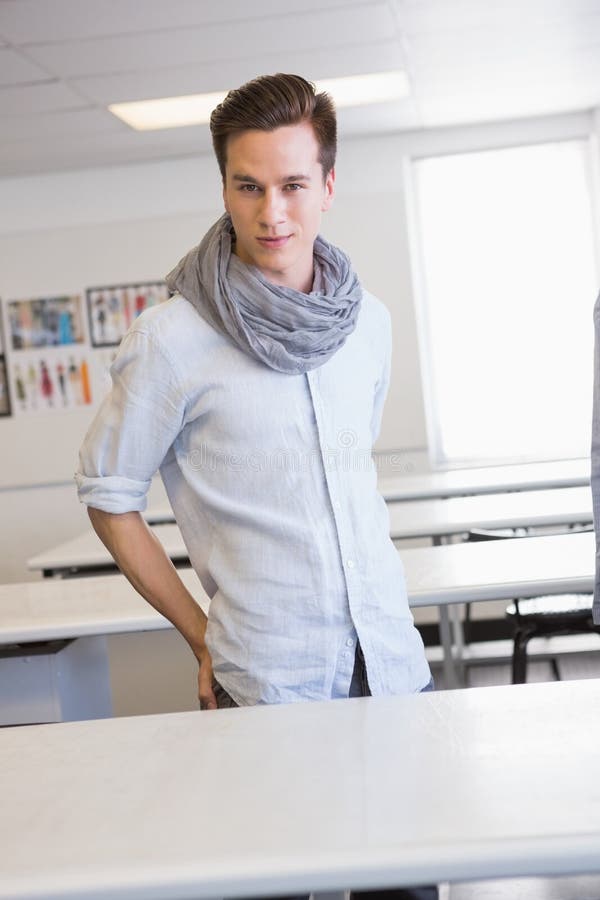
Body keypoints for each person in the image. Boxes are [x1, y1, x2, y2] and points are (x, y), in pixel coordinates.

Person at [76, 73, 436, 900]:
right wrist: (201, 634)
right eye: (249, 186)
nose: (272, 212)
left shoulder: (366, 326)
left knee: (412, 890)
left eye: (292, 186)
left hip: (389, 667)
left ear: (329, 187)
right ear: (225, 188)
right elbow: (108, 493)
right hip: (267, 681)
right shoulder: (172, 341)